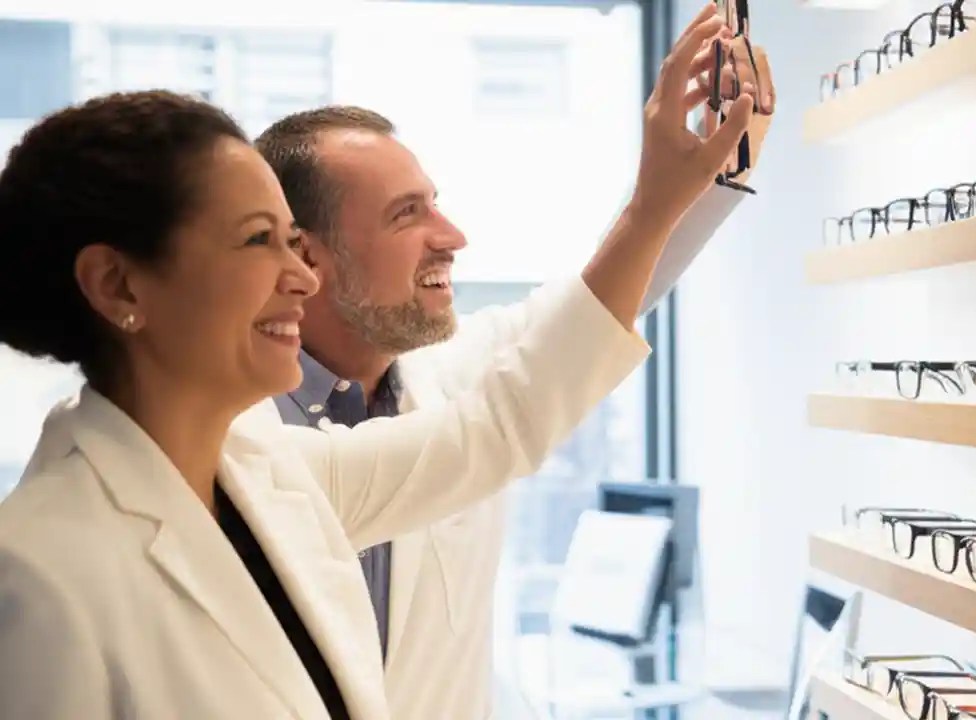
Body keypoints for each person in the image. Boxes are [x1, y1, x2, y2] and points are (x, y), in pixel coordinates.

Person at [0, 6, 754, 718]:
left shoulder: (272, 474)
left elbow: (506, 420)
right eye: (260, 239)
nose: (298, 275)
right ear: (118, 284)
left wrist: (675, 191)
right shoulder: (37, 574)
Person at [245, 28, 774, 720]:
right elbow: (508, 418)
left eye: (434, 201)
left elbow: (601, 304)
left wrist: (715, 171)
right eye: (409, 214)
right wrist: (657, 199)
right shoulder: (238, 440)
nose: (452, 235)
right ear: (306, 259)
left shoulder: (452, 375)